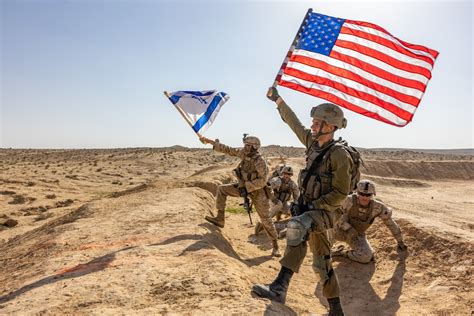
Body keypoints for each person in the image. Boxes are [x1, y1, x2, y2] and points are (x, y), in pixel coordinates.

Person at [252, 87, 354, 316]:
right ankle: (337, 310)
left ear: (331, 127)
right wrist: (277, 100)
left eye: (318, 123)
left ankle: (279, 287)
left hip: (326, 213)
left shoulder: (339, 155)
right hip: (311, 212)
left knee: (296, 226)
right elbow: (293, 122)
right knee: (322, 263)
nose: (313, 126)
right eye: (314, 122)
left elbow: (341, 192)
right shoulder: (311, 142)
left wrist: (311, 206)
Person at [199, 134, 281, 257]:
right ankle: (220, 218)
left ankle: (275, 246)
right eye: (245, 145)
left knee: (265, 218)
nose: (245, 147)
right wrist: (210, 142)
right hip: (244, 188)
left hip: (258, 192)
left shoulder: (260, 161)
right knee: (222, 190)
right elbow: (228, 149)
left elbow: (263, 181)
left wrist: (247, 186)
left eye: (248, 145)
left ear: (254, 147)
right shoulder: (243, 154)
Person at [332, 180, 407, 263]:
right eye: (361, 194)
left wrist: (400, 241)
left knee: (366, 257)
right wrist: (348, 228)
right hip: (338, 231)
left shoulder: (378, 207)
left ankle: (342, 253)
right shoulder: (347, 200)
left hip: (356, 236)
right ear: (357, 192)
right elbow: (334, 215)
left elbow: (391, 224)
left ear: (373, 195)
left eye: (368, 195)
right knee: (323, 240)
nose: (364, 197)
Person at [255, 166, 299, 236]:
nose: (287, 175)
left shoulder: (292, 184)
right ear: (282, 173)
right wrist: (272, 198)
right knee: (279, 204)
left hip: (283, 203)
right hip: (272, 202)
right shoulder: (276, 181)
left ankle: (282, 218)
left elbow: (296, 196)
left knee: (293, 209)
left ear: (291, 175)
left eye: (289, 174)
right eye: (285, 173)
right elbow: (266, 188)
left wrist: (296, 205)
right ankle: (261, 223)